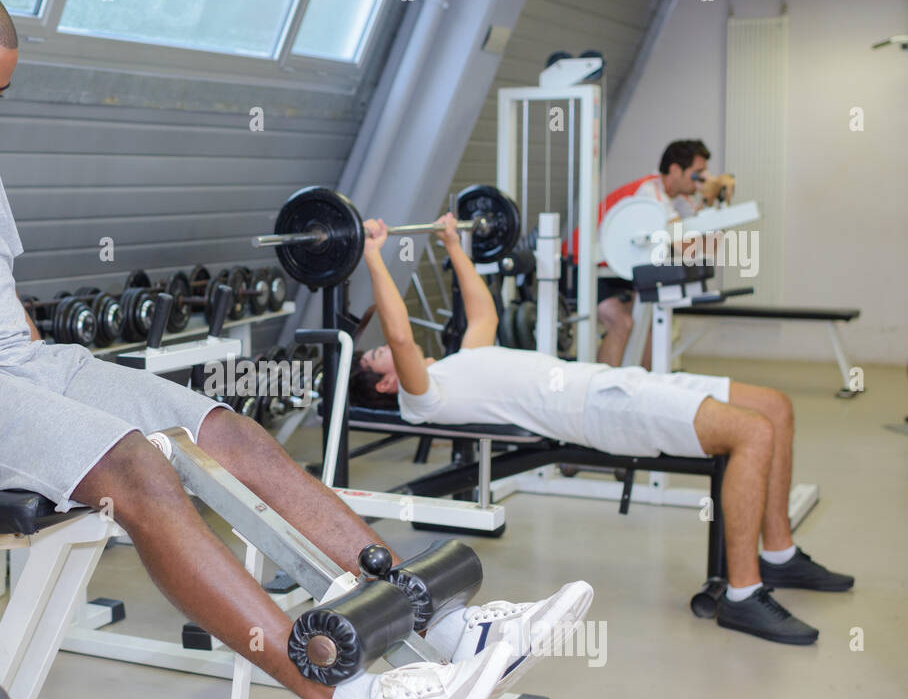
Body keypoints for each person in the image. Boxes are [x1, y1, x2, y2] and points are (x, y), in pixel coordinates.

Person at [0, 0, 592, 699]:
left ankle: (442, 618)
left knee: (225, 430)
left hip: (25, 368)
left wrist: (63, 386)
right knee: (138, 470)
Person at [350, 210, 852, 646]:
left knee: (776, 406)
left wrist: (455, 246)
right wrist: (373, 254)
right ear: (389, 382)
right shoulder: (424, 398)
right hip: (598, 410)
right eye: (380, 357)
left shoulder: (460, 363)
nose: (390, 349)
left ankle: (780, 554)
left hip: (613, 382)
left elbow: (482, 311)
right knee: (753, 432)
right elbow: (399, 333)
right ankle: (743, 593)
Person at [585, 139, 735, 367]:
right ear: (675, 170)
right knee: (622, 322)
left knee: (650, 319)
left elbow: (708, 248)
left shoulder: (679, 200)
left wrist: (715, 201)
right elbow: (687, 247)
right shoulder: (650, 193)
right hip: (587, 266)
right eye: (697, 174)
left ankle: (643, 387)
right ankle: (602, 393)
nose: (701, 181)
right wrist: (707, 198)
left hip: (622, 271)